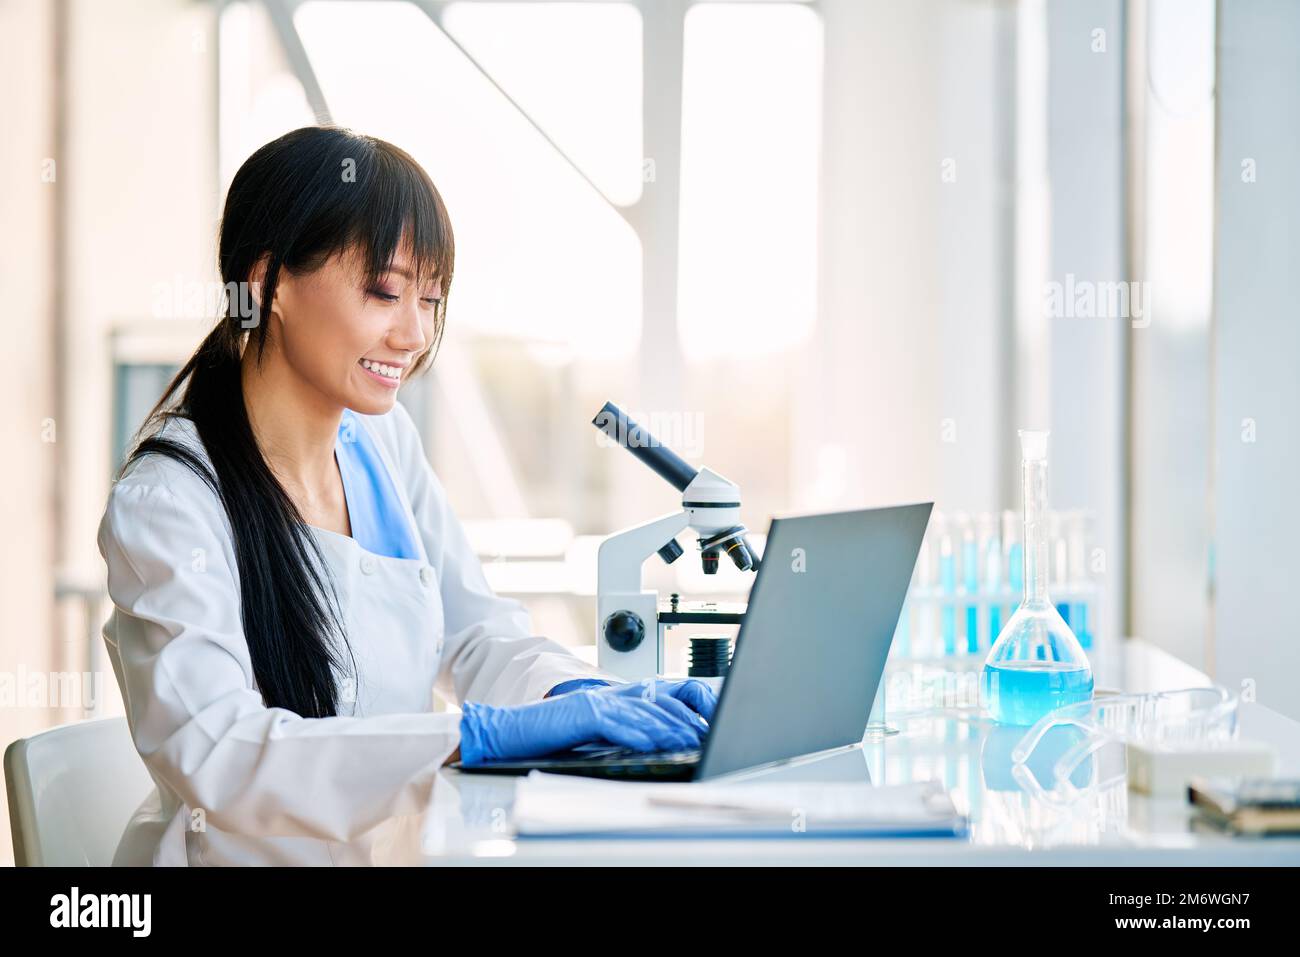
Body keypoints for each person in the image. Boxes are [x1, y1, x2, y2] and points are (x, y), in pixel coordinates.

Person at [97, 126, 714, 866]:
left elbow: (478, 634)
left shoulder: (379, 448)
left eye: (431, 298)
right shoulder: (170, 501)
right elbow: (221, 754)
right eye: (385, 291)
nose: (415, 333)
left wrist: (580, 699)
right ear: (266, 284)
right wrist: (471, 736)